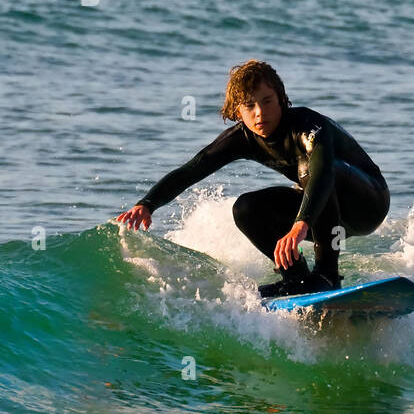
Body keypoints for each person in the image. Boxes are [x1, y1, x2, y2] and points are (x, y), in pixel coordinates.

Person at [114, 59, 389, 297]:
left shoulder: (308, 126)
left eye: (267, 101)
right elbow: (193, 169)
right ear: (237, 111)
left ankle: (327, 276)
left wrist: (300, 224)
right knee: (246, 209)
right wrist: (148, 203)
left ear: (281, 98)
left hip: (367, 203)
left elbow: (324, 172)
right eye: (250, 106)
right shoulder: (242, 138)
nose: (260, 112)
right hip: (324, 214)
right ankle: (299, 279)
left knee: (311, 170)